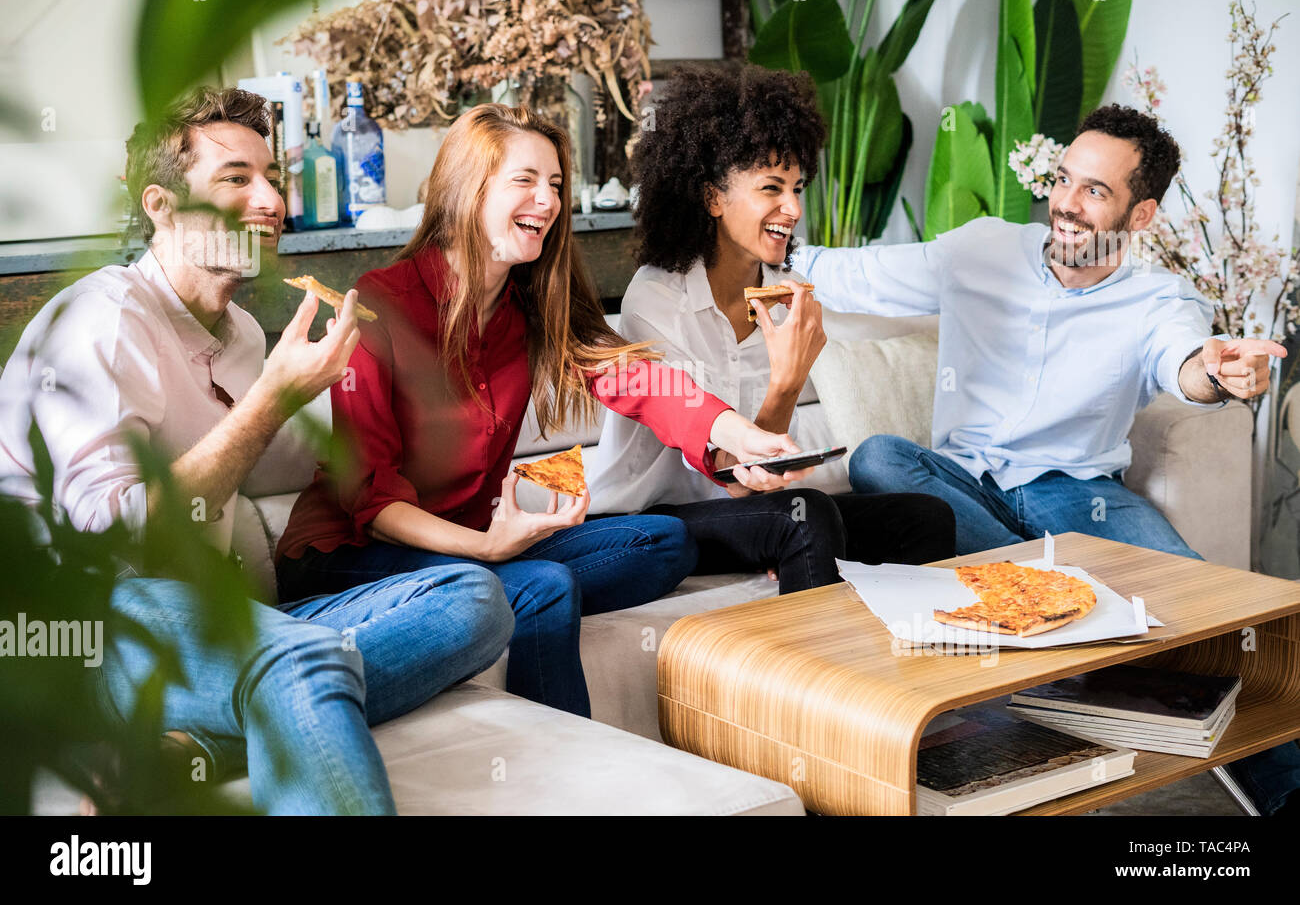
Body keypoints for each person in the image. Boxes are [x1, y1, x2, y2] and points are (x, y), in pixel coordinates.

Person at [0, 87, 515, 814]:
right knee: (304, 658)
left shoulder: (241, 332)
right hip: (88, 623)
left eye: (271, 177)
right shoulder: (103, 320)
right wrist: (275, 398)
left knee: (476, 601)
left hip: (218, 618)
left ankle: (198, 745)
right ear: (162, 206)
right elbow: (111, 533)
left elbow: (290, 469)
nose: (272, 201)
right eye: (236, 180)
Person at [795, 103, 1295, 814]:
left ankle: (1285, 793)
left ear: (1141, 214)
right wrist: (767, 244)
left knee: (1204, 623)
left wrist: (1218, 374)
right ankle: (1070, 600)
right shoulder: (982, 250)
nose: (1066, 203)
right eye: (1064, 180)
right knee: (879, 458)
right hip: (960, 484)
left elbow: (1185, 362)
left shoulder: (1157, 300)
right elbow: (862, 274)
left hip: (1081, 495)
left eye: (1095, 191)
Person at [274, 102, 811, 718]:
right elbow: (370, 501)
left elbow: (633, 377)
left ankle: (500, 600)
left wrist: (736, 434)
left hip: (470, 544)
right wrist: (486, 551)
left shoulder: (531, 303)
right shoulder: (378, 304)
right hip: (348, 554)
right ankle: (565, 747)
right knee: (545, 587)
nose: (548, 200)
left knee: (666, 543)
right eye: (524, 180)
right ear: (466, 190)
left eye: (555, 184)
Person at [586, 65, 955, 591]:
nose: (794, 208)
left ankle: (898, 664)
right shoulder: (659, 295)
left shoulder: (787, 292)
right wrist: (787, 378)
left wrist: (786, 389)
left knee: (925, 517)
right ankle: (809, 673)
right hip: (654, 520)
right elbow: (730, 470)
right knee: (806, 515)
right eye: (771, 188)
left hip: (746, 509)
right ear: (714, 197)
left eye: (798, 187)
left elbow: (756, 482)